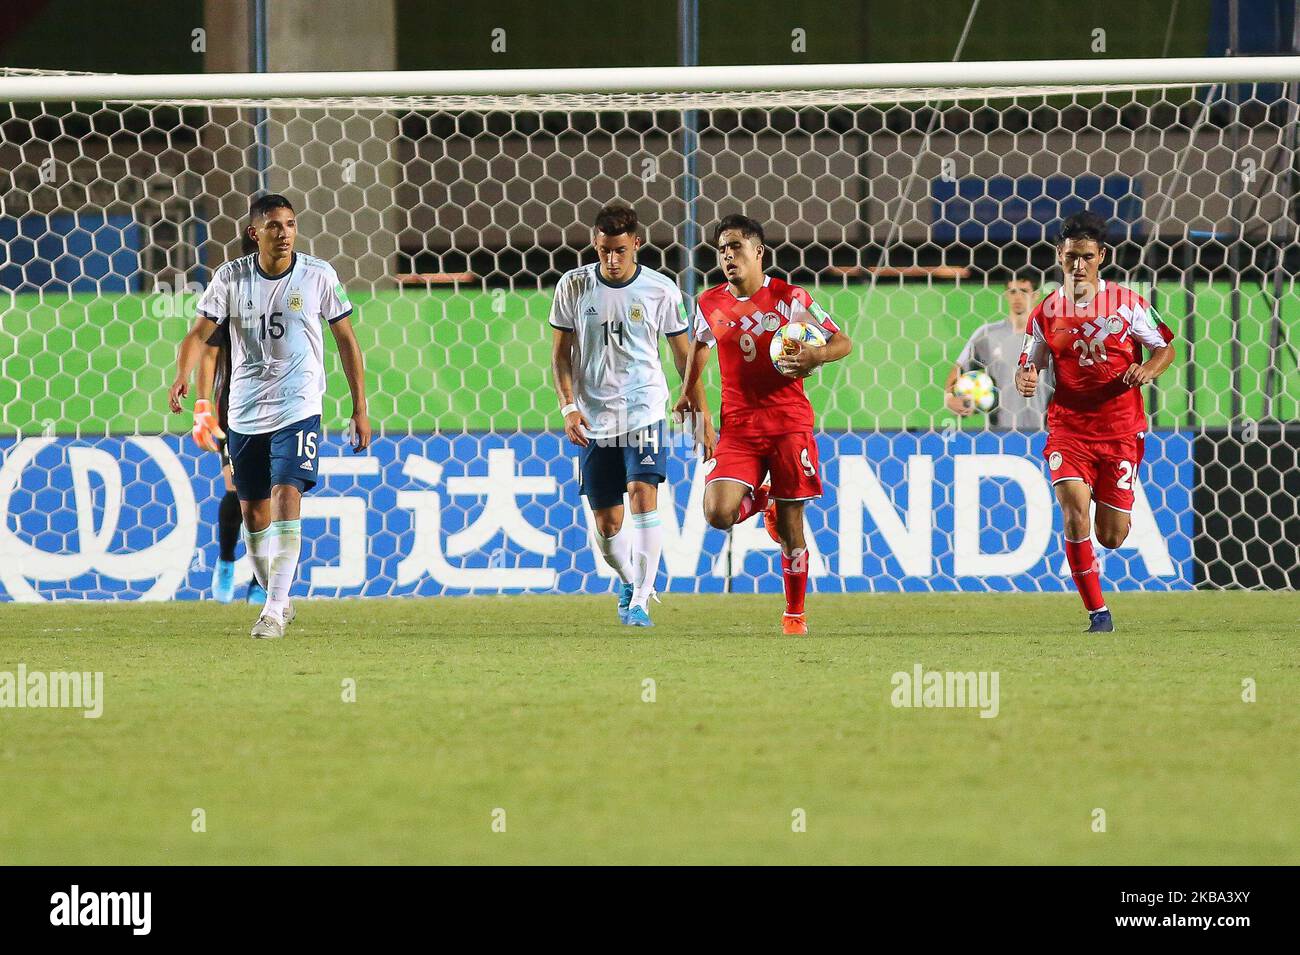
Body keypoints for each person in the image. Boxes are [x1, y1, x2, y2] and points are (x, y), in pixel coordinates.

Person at [169, 194, 371, 638]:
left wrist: (360, 407)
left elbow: (347, 341)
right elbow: (199, 334)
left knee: (286, 496)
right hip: (243, 410)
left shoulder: (318, 275)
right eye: (274, 225)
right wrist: (182, 376)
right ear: (254, 232)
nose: (284, 233)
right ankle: (275, 591)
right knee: (254, 516)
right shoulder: (230, 278)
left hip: (298, 407)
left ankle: (273, 610)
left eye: (291, 224)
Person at [673, 214, 852, 635]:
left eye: (736, 247)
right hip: (737, 427)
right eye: (721, 249)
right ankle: (763, 500)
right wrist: (687, 390)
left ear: (759, 252)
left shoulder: (790, 298)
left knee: (792, 526)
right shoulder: (709, 302)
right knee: (717, 512)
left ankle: (794, 614)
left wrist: (816, 356)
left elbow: (842, 341)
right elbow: (699, 346)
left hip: (788, 424)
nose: (728, 256)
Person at [1015, 210, 1175, 633]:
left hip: (1121, 432)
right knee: (1073, 514)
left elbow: (1165, 347)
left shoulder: (1130, 304)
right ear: (1059, 256)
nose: (1078, 264)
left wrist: (1149, 370)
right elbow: (1030, 362)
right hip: (1068, 430)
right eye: (1071, 256)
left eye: (1086, 256)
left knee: (1111, 536)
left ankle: (1108, 527)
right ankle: (1098, 614)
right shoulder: (1045, 311)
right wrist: (1026, 376)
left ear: (1102, 256)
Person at [550, 202, 692, 627]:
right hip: (594, 417)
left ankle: (642, 602)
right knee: (608, 526)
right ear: (595, 246)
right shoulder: (572, 286)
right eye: (603, 251)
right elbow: (560, 356)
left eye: (619, 251)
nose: (611, 260)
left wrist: (697, 408)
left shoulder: (661, 288)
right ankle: (631, 581)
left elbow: (684, 356)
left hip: (644, 408)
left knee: (643, 495)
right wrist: (569, 406)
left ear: (637, 244)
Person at [944, 275, 1052, 429]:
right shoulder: (988, 335)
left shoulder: (1051, 336)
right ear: (1006, 295)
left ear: (1035, 295)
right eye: (1012, 292)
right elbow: (957, 371)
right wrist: (950, 398)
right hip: (1000, 434)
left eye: (1023, 291)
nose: (1018, 297)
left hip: (1045, 433)